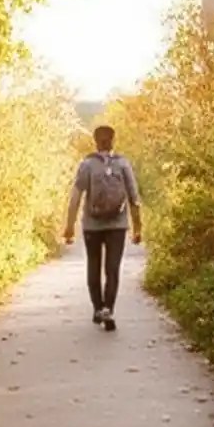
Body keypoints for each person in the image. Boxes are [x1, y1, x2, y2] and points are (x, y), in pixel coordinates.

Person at [63, 125, 142, 331]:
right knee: (113, 269)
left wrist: (69, 227)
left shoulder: (87, 164)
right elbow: (134, 198)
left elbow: (75, 198)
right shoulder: (123, 163)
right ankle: (108, 308)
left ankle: (98, 308)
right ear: (113, 140)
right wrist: (138, 227)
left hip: (92, 225)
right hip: (117, 224)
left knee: (94, 266)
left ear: (95, 141)